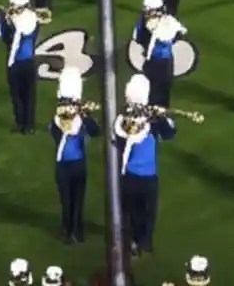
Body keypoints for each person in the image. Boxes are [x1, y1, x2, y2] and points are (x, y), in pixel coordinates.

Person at [114, 74, 176, 257]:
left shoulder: (127, 118)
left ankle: (141, 241)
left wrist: (161, 117)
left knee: (139, 212)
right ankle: (141, 241)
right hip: (141, 175)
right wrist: (159, 118)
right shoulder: (131, 120)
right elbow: (169, 133)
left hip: (136, 176)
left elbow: (169, 133)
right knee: (142, 212)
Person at [50, 66, 100, 243]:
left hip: (78, 163)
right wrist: (76, 113)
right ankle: (67, 228)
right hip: (63, 164)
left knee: (78, 199)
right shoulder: (58, 118)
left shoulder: (81, 116)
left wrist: (86, 115)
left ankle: (77, 230)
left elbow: (96, 132)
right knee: (66, 200)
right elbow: (60, 131)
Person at [0, 0, 42, 134]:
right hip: (30, 61)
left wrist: (1, 21)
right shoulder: (33, 17)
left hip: (15, 62)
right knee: (29, 95)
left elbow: (6, 38)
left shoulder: (14, 20)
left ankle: (20, 123)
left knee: (17, 96)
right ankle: (30, 125)